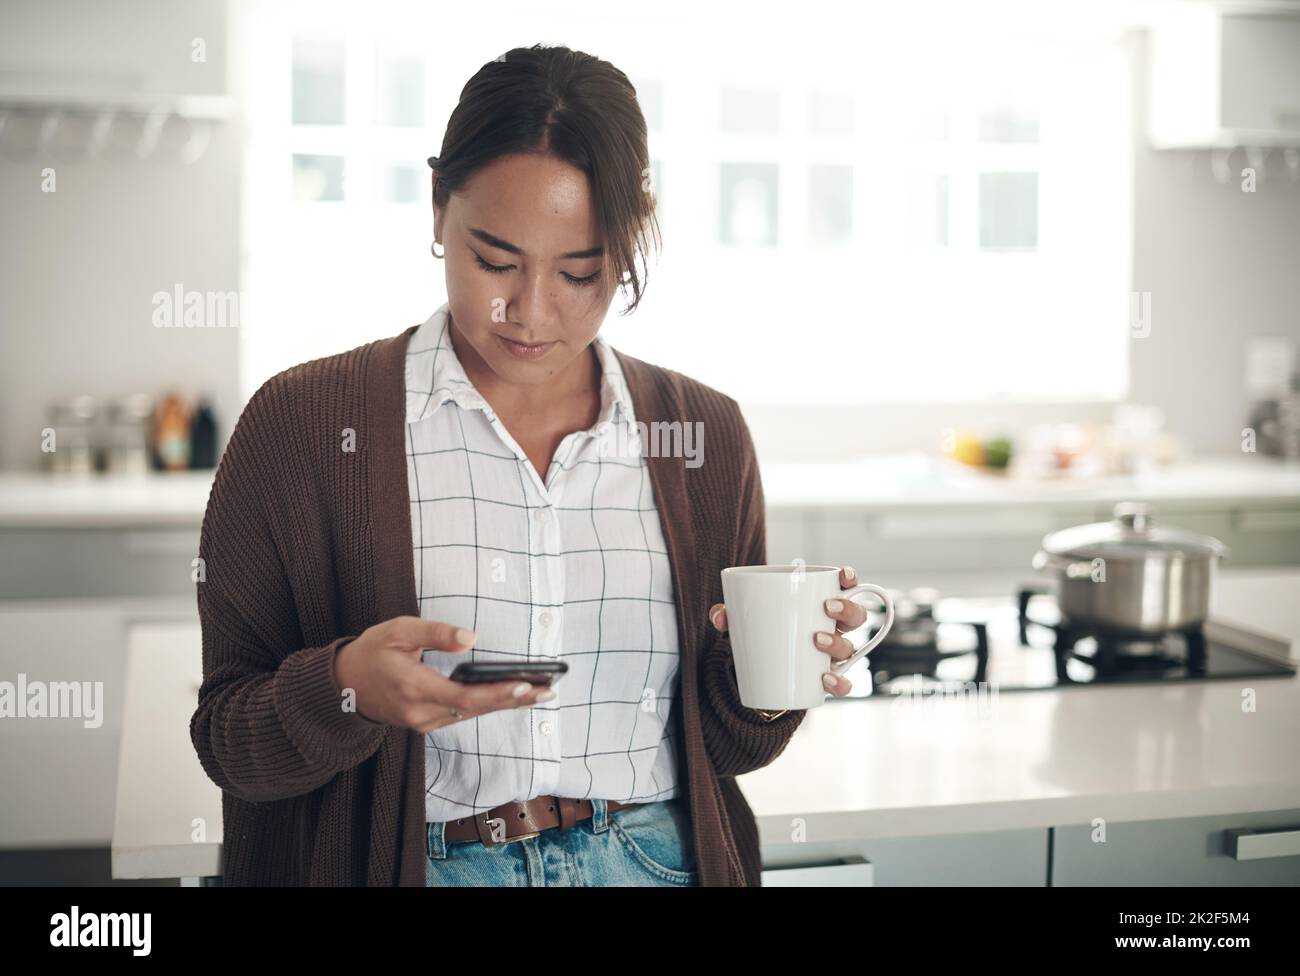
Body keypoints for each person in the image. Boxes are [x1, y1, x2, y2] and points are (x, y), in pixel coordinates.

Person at [190, 43, 870, 888]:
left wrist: (771, 683)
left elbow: (731, 747)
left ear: (626, 247)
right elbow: (227, 737)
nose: (532, 312)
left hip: (654, 862)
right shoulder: (303, 426)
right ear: (438, 206)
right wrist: (344, 689)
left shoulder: (703, 435)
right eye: (495, 262)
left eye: (581, 272)